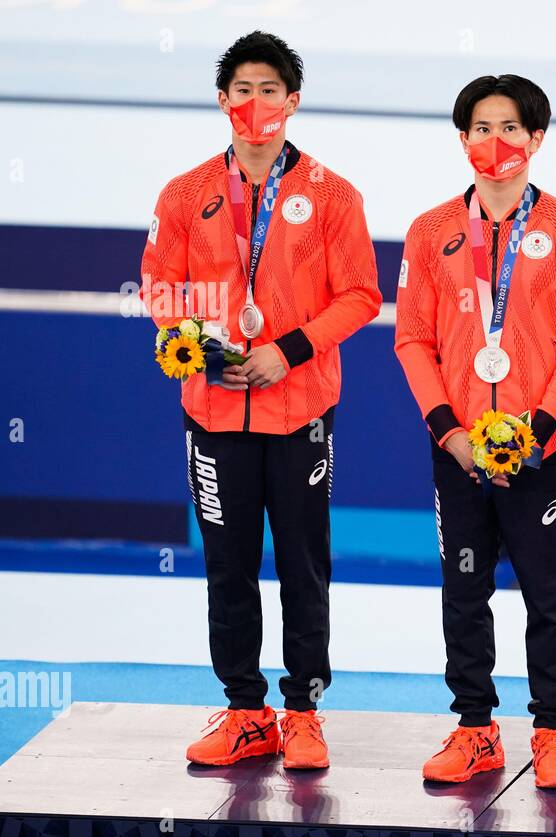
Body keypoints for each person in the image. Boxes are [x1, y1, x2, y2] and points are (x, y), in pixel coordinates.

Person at [141, 31, 382, 769]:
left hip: (300, 407)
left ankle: (304, 711)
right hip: (213, 410)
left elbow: (363, 295)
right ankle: (246, 710)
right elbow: (159, 287)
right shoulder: (184, 194)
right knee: (228, 563)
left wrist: (287, 351)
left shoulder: (335, 195)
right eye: (242, 89)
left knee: (305, 564)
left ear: (293, 101)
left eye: (270, 89)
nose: (255, 103)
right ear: (222, 100)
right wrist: (205, 342)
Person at [395, 75, 556, 789]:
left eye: (510, 128)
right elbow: (412, 341)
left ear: (536, 138)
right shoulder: (430, 232)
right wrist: (449, 430)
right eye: (481, 127)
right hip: (456, 449)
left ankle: (552, 732)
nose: (495, 142)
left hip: (538, 449)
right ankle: (475, 728)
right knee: (464, 587)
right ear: (462, 138)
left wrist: (537, 430)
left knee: (548, 590)